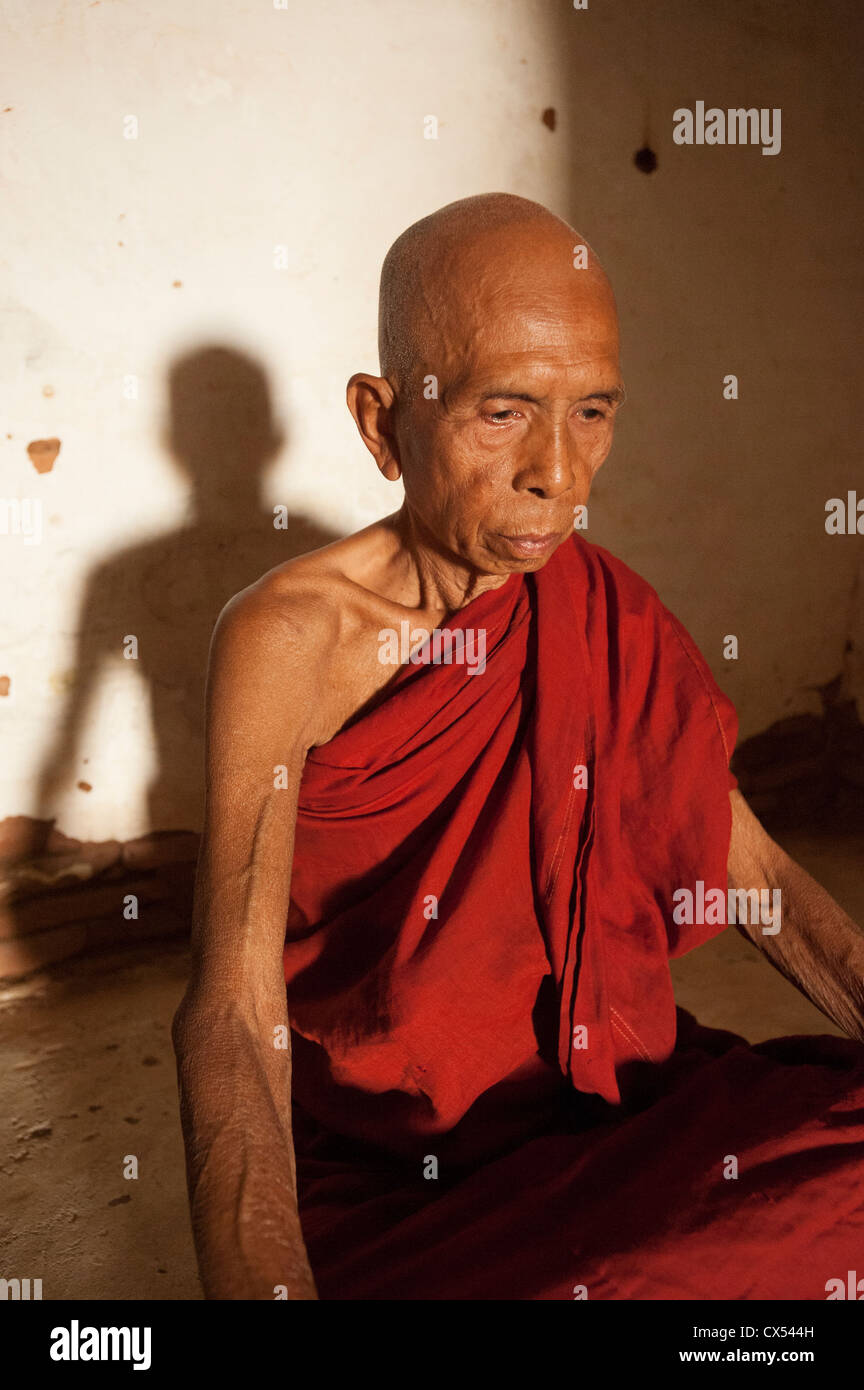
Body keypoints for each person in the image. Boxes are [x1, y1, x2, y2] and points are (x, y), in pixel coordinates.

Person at [172, 193, 864, 1301]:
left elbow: (763, 878)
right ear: (380, 421)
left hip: (630, 1106)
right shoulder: (286, 637)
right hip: (418, 1164)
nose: (562, 473)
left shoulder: (596, 603)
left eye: (592, 412)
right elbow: (229, 998)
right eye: (504, 413)